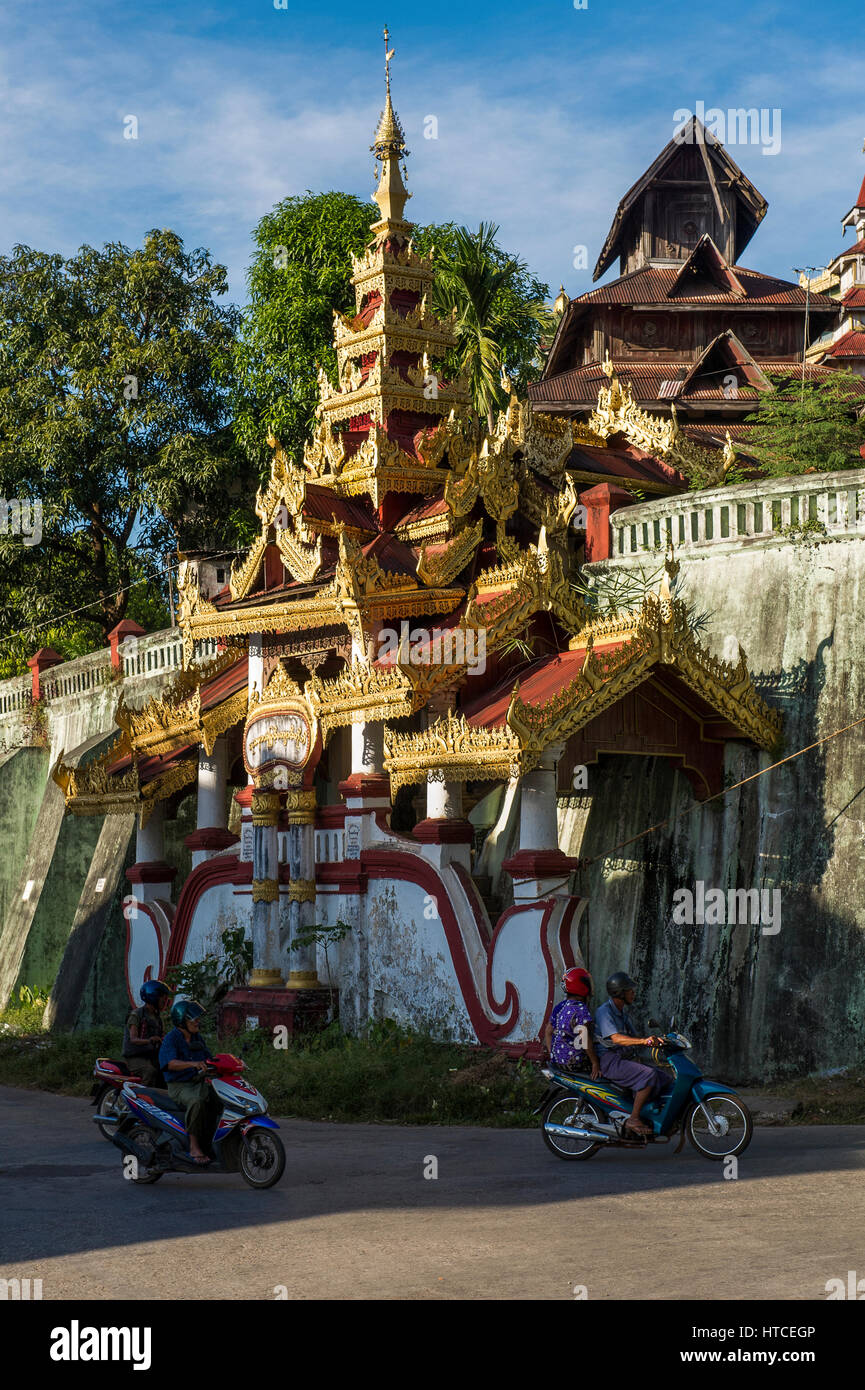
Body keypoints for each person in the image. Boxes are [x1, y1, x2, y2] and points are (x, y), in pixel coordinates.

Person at [594, 971, 671, 1137]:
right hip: (610, 1061)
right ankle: (634, 1119)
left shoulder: (622, 1013)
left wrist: (658, 1041)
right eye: (630, 990)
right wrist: (644, 1041)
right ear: (620, 993)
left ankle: (649, 1115)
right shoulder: (604, 1012)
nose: (633, 993)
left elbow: (634, 1038)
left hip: (624, 1058)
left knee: (665, 1078)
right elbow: (616, 1039)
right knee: (649, 1075)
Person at [159, 1000, 220, 1165]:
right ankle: (193, 1146)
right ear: (181, 1021)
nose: (197, 1021)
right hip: (179, 1086)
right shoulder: (171, 1039)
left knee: (221, 1099)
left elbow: (209, 1058)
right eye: (193, 1018)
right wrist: (193, 1064)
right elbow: (170, 1063)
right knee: (197, 1102)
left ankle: (215, 1141)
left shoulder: (196, 1037)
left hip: (199, 1082)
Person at [542, 968, 601, 1078]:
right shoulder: (581, 1010)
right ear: (582, 987)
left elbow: (548, 1031)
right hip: (574, 1064)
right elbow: (584, 1039)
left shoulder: (560, 1006)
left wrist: (552, 1054)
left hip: (557, 1062)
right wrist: (595, 1063)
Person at [123, 980, 171, 1086]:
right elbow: (133, 1039)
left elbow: (162, 1036)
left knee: (169, 1068)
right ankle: (143, 1098)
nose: (165, 1000)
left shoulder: (157, 1018)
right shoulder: (136, 1015)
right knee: (149, 1071)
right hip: (135, 1057)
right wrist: (150, 1040)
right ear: (153, 996)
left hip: (152, 1056)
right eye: (162, 997)